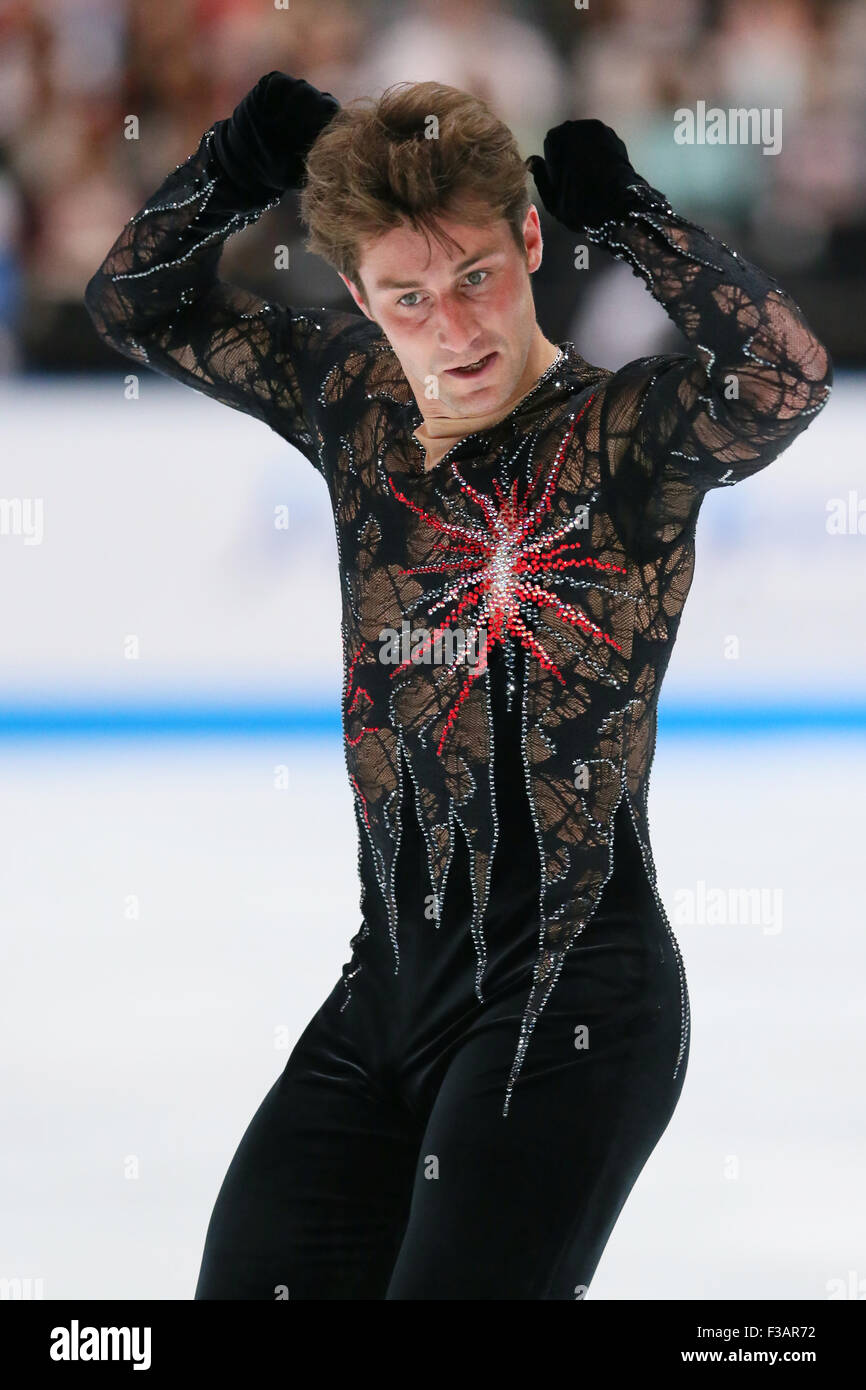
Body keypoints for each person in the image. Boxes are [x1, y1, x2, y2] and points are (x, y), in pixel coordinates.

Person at [85, 73, 833, 1300]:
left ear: (530, 238)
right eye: (409, 298)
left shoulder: (623, 440)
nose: (455, 328)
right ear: (361, 297)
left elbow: (781, 376)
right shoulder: (348, 399)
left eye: (477, 274)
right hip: (380, 997)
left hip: (571, 1007)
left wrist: (636, 212)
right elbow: (129, 304)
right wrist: (229, 168)